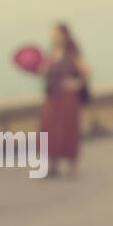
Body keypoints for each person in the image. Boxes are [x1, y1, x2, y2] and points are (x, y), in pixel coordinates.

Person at [39, 23, 90, 178]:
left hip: (67, 99)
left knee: (68, 130)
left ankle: (71, 166)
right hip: (52, 97)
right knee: (49, 130)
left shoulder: (72, 54)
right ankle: (52, 165)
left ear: (64, 36)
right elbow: (46, 75)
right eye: (52, 34)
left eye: (56, 34)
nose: (53, 37)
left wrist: (76, 84)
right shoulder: (50, 54)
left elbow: (86, 70)